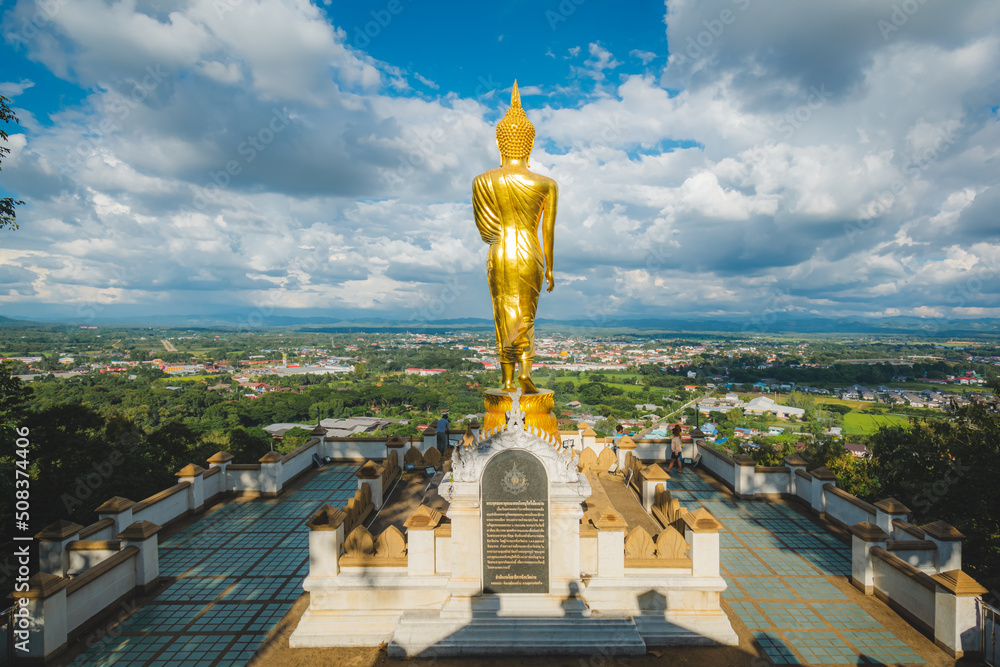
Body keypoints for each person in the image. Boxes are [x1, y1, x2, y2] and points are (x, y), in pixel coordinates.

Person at [472, 81, 558, 394]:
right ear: (529, 143)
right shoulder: (546, 184)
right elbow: (547, 230)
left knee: (503, 313)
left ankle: (507, 379)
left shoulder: (483, 181)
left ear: (500, 142)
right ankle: (524, 371)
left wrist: (500, 237)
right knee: (526, 315)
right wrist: (549, 266)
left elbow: (485, 230)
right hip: (531, 253)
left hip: (500, 251)